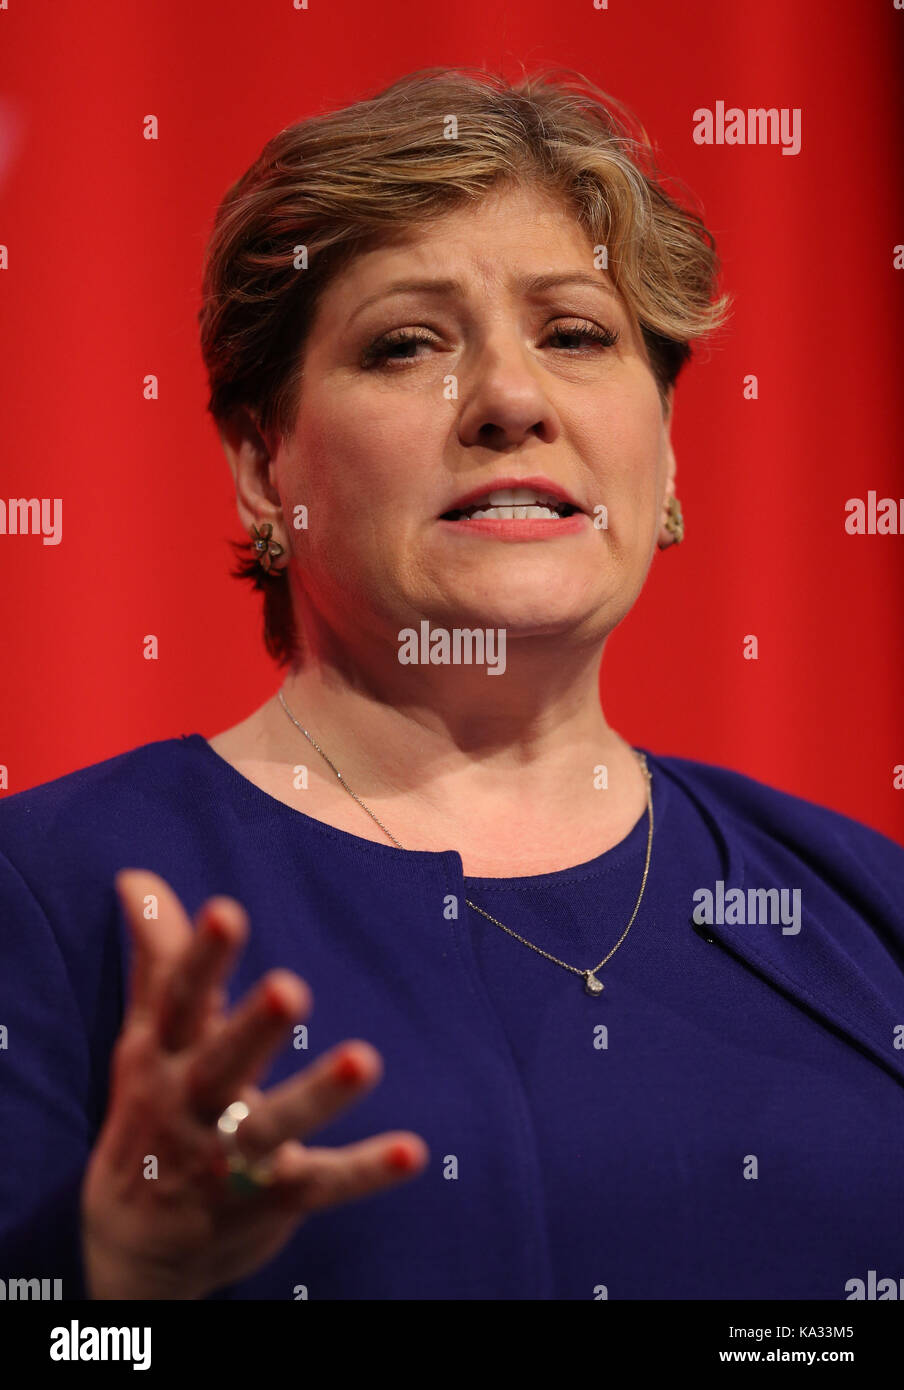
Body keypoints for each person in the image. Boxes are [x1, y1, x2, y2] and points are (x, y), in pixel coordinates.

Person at [1, 64, 903, 1303]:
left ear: (670, 453)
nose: (511, 400)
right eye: (405, 343)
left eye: (576, 333)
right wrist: (107, 1285)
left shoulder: (863, 906)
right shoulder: (49, 900)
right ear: (267, 467)